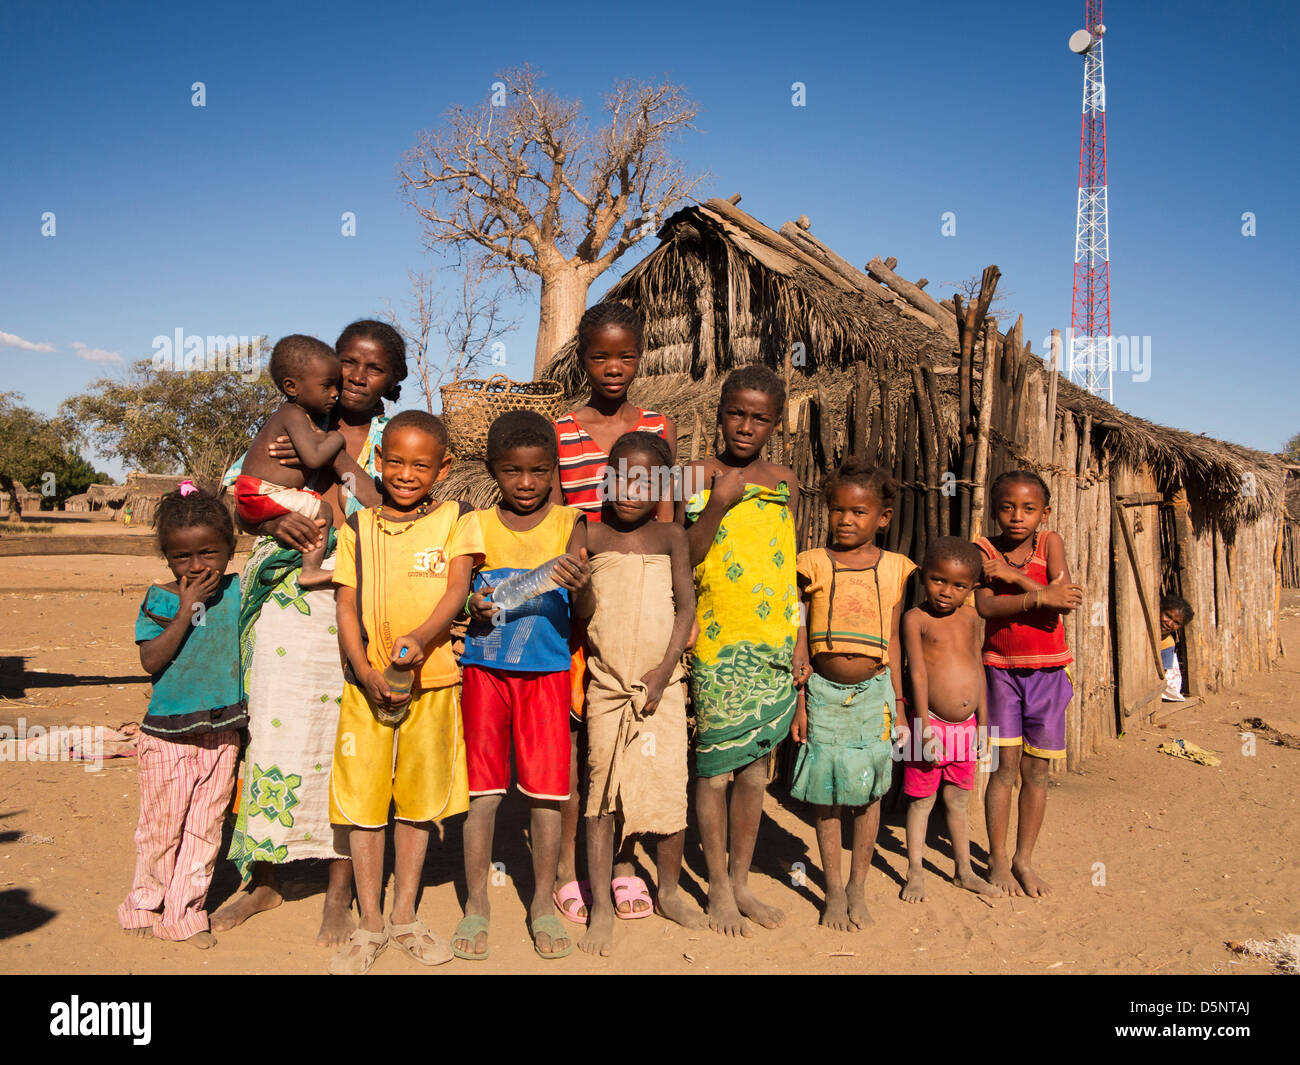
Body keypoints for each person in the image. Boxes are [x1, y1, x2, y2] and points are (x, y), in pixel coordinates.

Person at [214, 319, 403, 948]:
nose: (355, 376)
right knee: (275, 725)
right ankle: (265, 875)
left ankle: (338, 892)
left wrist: (346, 465)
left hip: (356, 597)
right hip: (282, 597)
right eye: (347, 362)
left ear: (392, 382)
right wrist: (272, 526)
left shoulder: (390, 437)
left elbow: (383, 506)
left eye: (373, 369)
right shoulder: (298, 416)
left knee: (346, 735)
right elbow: (244, 500)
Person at [327, 410, 483, 975]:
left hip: (435, 682)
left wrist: (422, 639)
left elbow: (458, 587)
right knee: (366, 804)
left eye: (421, 464)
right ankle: (369, 925)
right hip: (366, 687)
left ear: (442, 467)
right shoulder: (356, 528)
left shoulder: (456, 519)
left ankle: (405, 916)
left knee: (417, 805)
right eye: (395, 461)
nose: (406, 473)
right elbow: (345, 606)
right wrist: (365, 668)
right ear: (379, 461)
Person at [550, 301, 677, 924]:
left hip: (640, 596)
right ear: (582, 357)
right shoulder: (560, 428)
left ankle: (624, 862)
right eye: (600, 355)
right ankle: (577, 869)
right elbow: (556, 518)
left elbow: (670, 517)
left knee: (633, 735)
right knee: (585, 739)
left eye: (626, 355)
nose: (613, 367)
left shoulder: (658, 424)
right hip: (582, 591)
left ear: (640, 356)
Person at [453, 411, 590, 962]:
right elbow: (458, 597)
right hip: (485, 674)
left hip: (549, 675)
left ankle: (540, 903)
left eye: (537, 472)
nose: (526, 483)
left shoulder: (570, 524)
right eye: (512, 471)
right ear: (493, 471)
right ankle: (477, 904)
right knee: (482, 792)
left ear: (554, 472)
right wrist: (474, 605)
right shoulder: (476, 526)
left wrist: (581, 589)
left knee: (548, 793)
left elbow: (585, 608)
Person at [679, 365, 800, 936]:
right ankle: (718, 888)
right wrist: (720, 502)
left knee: (755, 775)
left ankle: (744, 881)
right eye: (736, 413)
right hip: (719, 643)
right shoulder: (697, 475)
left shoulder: (785, 481)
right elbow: (686, 554)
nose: (745, 426)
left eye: (759, 418)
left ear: (775, 423)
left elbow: (786, 569)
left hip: (772, 640)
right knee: (714, 772)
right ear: (719, 411)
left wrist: (796, 641)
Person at [575, 432, 700, 956]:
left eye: (644, 480)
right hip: (607, 688)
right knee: (601, 795)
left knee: (669, 787)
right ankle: (602, 905)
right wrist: (577, 582)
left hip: (663, 687)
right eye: (620, 476)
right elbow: (581, 615)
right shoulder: (589, 534)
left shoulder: (672, 536)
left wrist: (663, 670)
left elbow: (686, 610)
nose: (629, 489)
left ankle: (668, 890)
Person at [118, 484, 248, 948]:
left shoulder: (238, 592)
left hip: (222, 732)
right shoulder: (160, 599)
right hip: (167, 737)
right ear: (167, 558)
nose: (196, 567)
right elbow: (151, 661)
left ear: (231, 549)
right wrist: (188, 609)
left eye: (209, 553)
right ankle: (143, 903)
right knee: (159, 829)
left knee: (205, 830)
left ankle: (185, 913)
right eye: (181, 557)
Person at [789, 461, 915, 930]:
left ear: (882, 517)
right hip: (821, 691)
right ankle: (835, 890)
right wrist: (801, 700)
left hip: (874, 695)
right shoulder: (812, 563)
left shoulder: (896, 569)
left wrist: (900, 706)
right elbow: (798, 625)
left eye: (858, 512)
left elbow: (896, 638)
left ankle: (859, 886)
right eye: (837, 510)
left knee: (866, 794)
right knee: (826, 794)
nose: (845, 520)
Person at [975, 470, 1083, 899]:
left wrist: (1018, 582)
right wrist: (1041, 597)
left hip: (1049, 673)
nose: (1017, 517)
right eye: (1007, 507)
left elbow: (1067, 599)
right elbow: (985, 605)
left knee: (1037, 772)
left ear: (1045, 513)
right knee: (1003, 771)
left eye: (1029, 508)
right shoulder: (983, 550)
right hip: (1000, 672)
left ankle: (1024, 859)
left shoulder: (1049, 543)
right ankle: (997, 858)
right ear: (994, 509)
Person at [900, 536, 999, 903]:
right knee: (922, 802)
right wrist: (922, 725)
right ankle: (914, 871)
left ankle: (964, 871)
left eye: (958, 585)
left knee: (959, 800)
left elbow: (978, 666)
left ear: (972, 588)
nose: (946, 591)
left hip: (968, 726)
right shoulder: (916, 619)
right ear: (924, 576)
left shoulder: (972, 617)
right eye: (938, 580)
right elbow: (918, 674)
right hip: (930, 725)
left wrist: (985, 724)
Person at [234, 334, 346, 589]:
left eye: (336, 386)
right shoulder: (294, 414)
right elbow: (314, 458)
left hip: (257, 494)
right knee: (323, 511)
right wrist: (336, 439)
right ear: (292, 387)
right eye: (326, 386)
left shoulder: (292, 415)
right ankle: (311, 570)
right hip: (262, 494)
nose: (335, 393)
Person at [1159, 594, 1194, 701]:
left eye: (1176, 623)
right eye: (1168, 616)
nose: (1169, 623)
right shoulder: (1139, 627)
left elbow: (1161, 674)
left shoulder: (1168, 644)